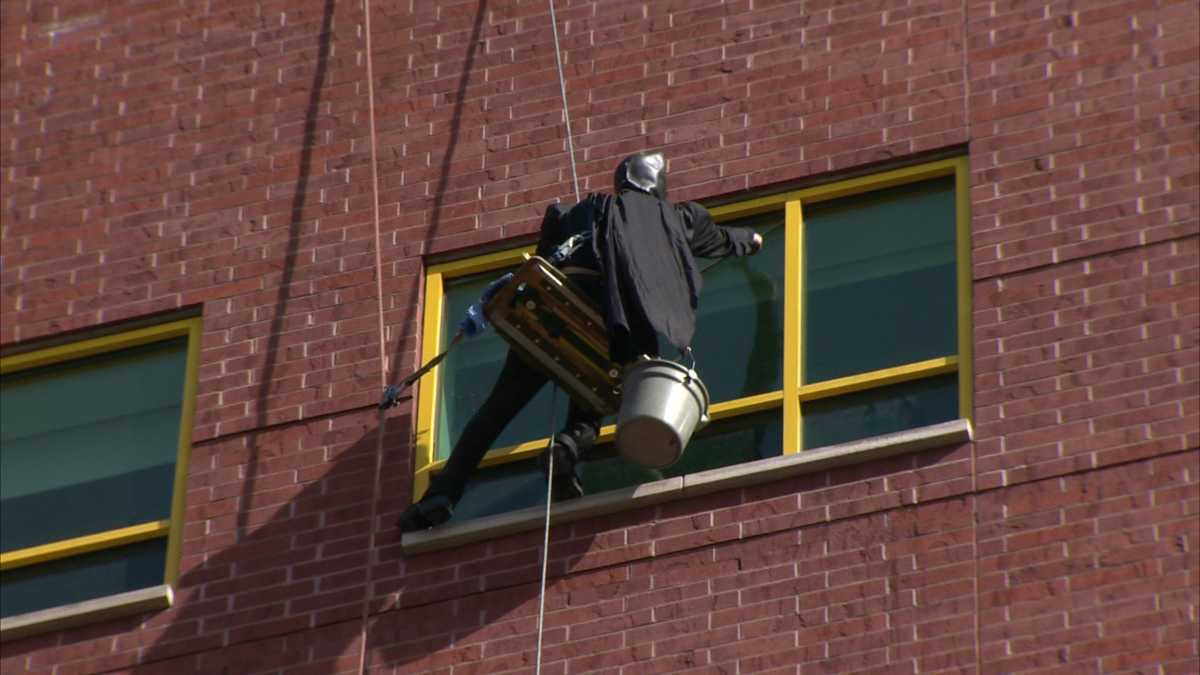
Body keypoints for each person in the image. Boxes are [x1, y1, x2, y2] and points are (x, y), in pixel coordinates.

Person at [399, 152, 763, 533]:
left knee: (495, 410)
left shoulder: (578, 212)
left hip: (554, 312)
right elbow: (723, 239)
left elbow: (546, 252)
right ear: (659, 186)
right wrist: (751, 239)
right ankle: (568, 449)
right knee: (604, 391)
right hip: (614, 324)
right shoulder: (676, 218)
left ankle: (442, 494)